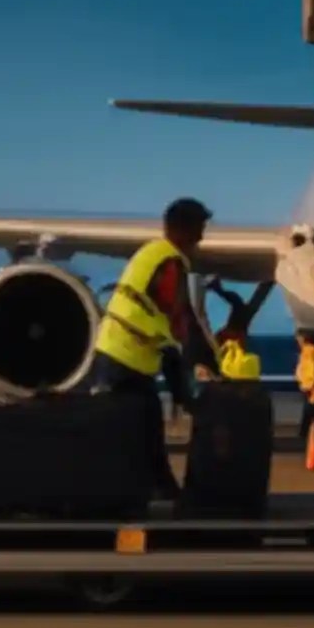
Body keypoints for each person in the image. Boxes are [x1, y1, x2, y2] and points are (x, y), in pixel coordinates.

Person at [92, 197, 212, 500]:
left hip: (121, 354)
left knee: (143, 427)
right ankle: (154, 490)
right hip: (125, 358)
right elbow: (174, 325)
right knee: (136, 428)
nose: (202, 236)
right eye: (200, 228)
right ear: (185, 230)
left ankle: (157, 488)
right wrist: (187, 395)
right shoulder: (171, 264)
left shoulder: (151, 253)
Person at [294, 328, 314, 439]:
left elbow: (312, 370)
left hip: (312, 388)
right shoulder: (313, 351)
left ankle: (307, 434)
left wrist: (308, 385)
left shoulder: (308, 352)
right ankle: (313, 433)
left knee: (311, 411)